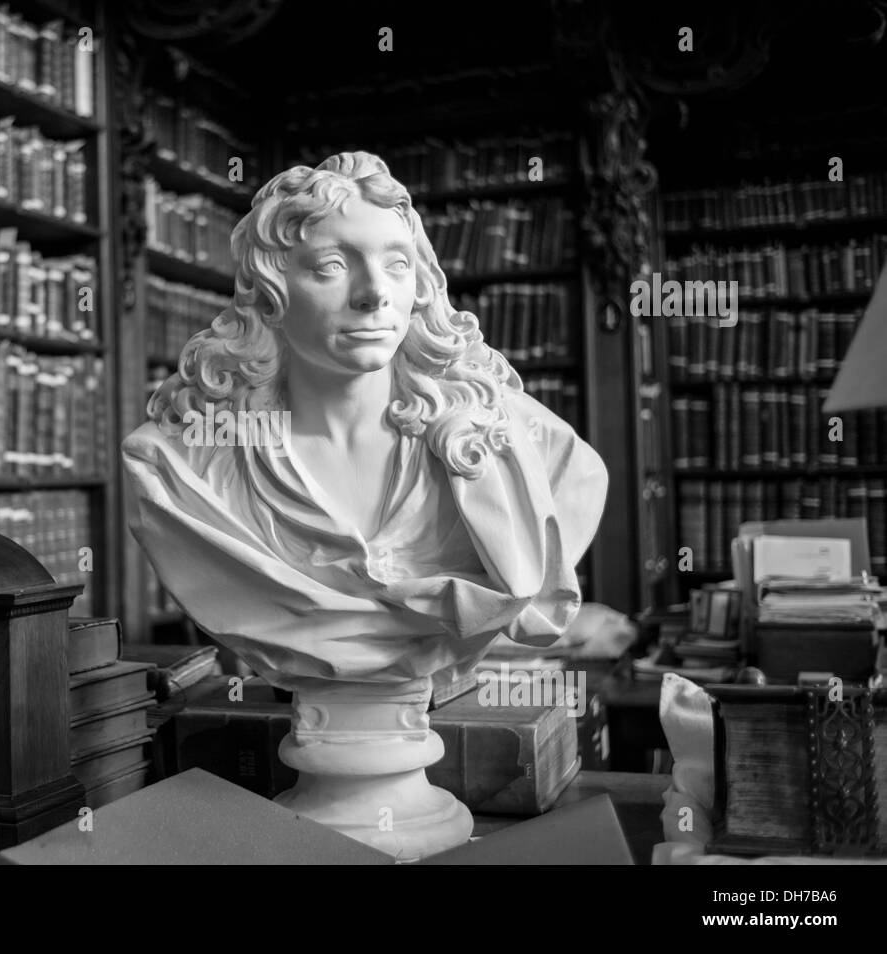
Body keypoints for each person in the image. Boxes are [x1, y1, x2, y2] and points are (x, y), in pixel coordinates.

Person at [122, 151, 607, 693]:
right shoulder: (181, 461)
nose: (374, 293)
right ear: (268, 294)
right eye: (332, 265)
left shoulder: (522, 439)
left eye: (397, 265)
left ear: (421, 284)